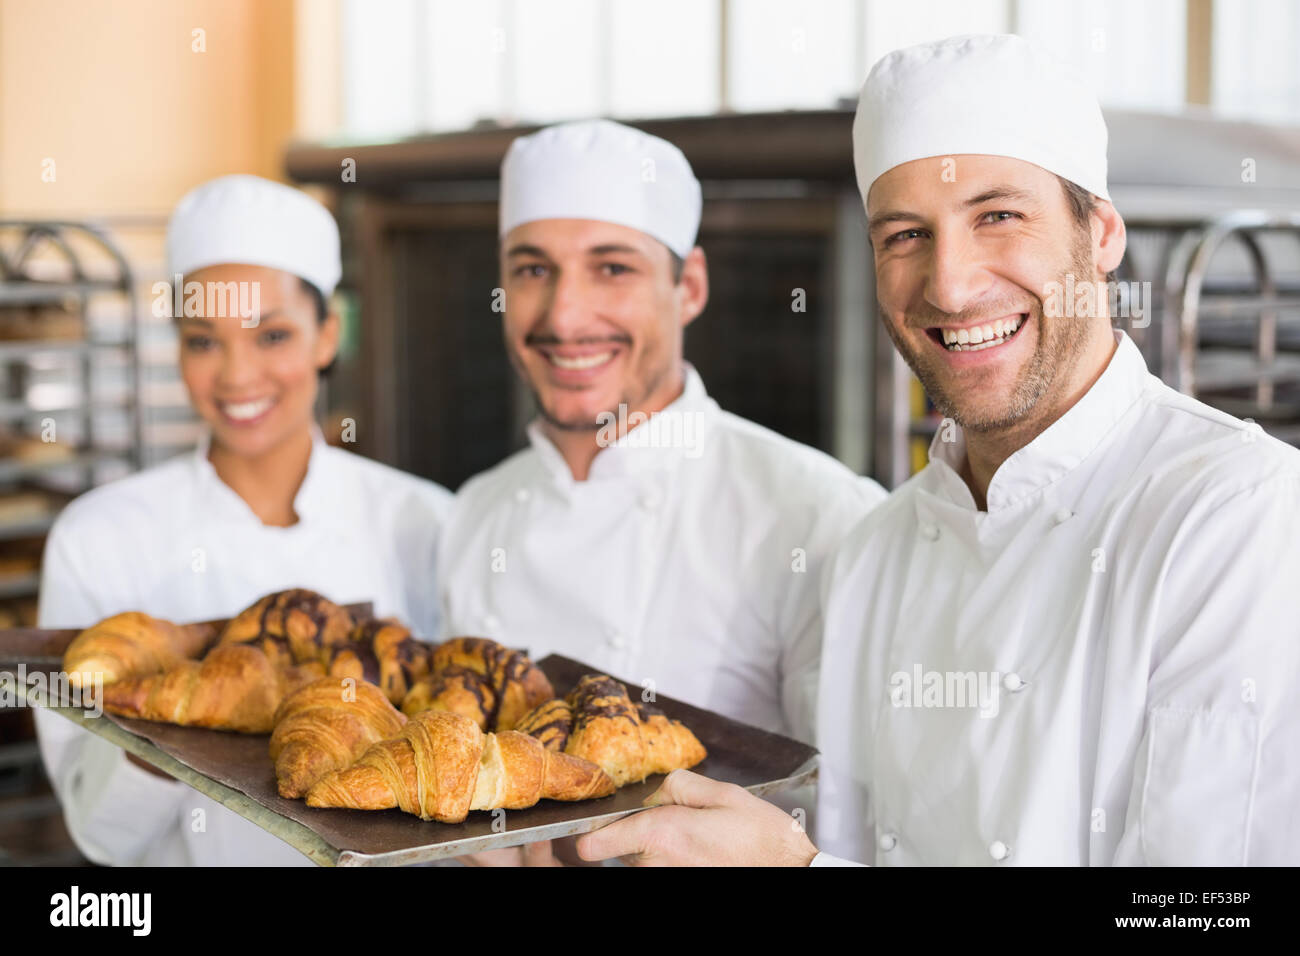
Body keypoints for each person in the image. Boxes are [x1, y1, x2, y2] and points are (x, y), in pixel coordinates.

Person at [575, 34, 1300, 867]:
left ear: (1100, 234)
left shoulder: (1238, 513)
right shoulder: (874, 555)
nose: (950, 286)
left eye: (997, 215)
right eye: (906, 235)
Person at [436, 120, 885, 862]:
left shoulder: (815, 515)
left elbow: (858, 826)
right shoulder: (475, 514)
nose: (565, 317)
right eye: (532, 269)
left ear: (691, 287)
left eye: (612, 268)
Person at [34, 174, 453, 866]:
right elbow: (99, 834)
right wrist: (180, 714)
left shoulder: (424, 521)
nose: (236, 374)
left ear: (328, 335)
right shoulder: (99, 538)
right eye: (204, 341)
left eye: (272, 335)